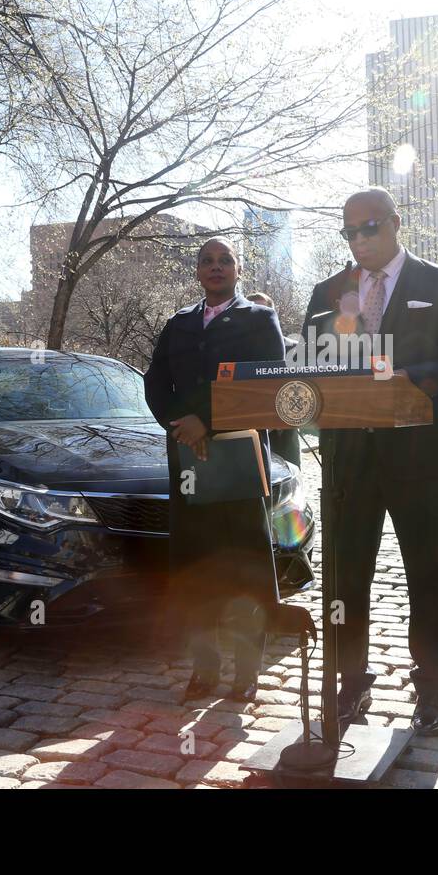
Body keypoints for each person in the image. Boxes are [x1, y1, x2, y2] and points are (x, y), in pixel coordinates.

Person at [303, 187, 438, 735]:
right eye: (349, 232)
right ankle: (350, 681)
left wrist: (412, 384)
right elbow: (312, 364)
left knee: (428, 573)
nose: (359, 240)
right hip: (347, 459)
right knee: (344, 575)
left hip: (419, 456)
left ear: (396, 223)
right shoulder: (326, 291)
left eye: (370, 227)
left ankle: (432, 688)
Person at [143, 239, 287, 703]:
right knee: (197, 566)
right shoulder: (178, 323)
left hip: (239, 459)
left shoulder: (258, 320)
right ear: (197, 272)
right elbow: (155, 383)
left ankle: (246, 673)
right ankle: (203, 670)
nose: (216, 267)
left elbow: (268, 381)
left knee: (244, 567)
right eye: (207, 261)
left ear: (238, 269)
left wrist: (209, 419)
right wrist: (180, 425)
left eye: (225, 260)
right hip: (189, 459)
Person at [246, 291, 302, 467]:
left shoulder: (294, 348)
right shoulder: (233, 349)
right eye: (253, 310)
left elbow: (303, 387)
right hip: (247, 427)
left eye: (263, 309)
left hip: (284, 431)